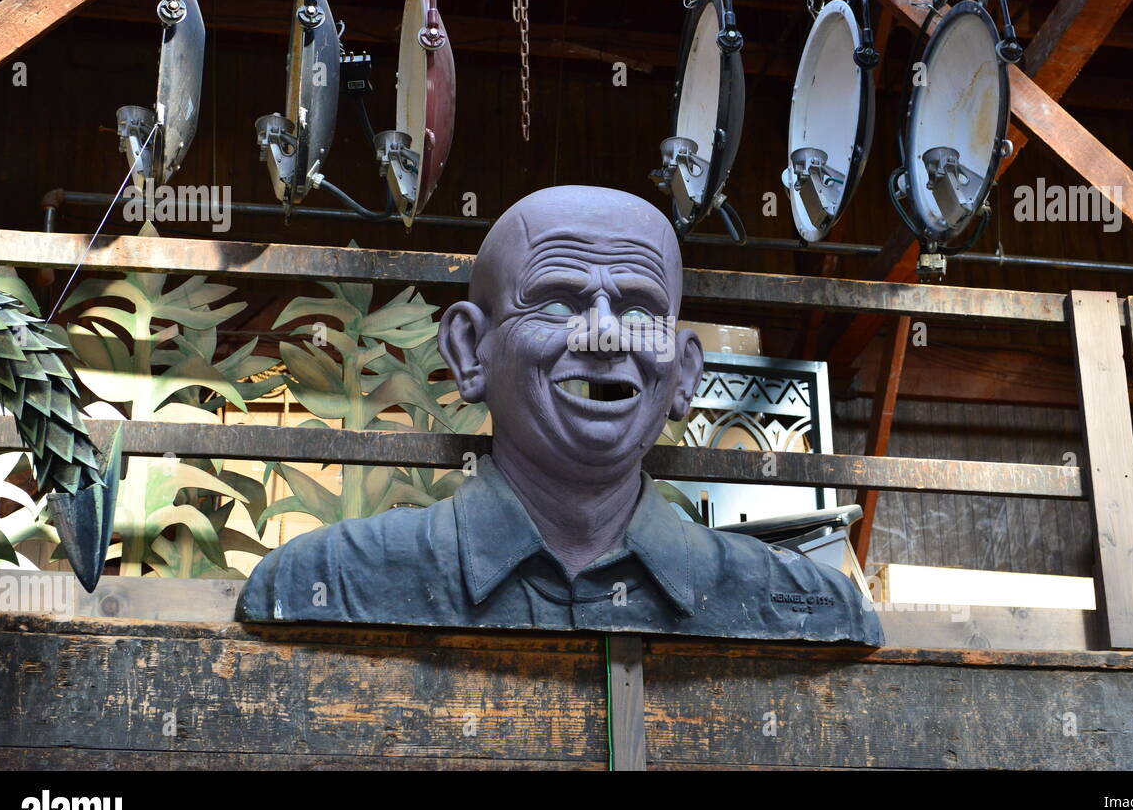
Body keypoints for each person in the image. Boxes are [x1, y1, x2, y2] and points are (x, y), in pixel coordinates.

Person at [239, 185, 883, 644]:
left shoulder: (803, 610)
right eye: (553, 303)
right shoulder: (330, 584)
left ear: (684, 372)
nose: (604, 337)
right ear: (470, 351)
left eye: (637, 309)